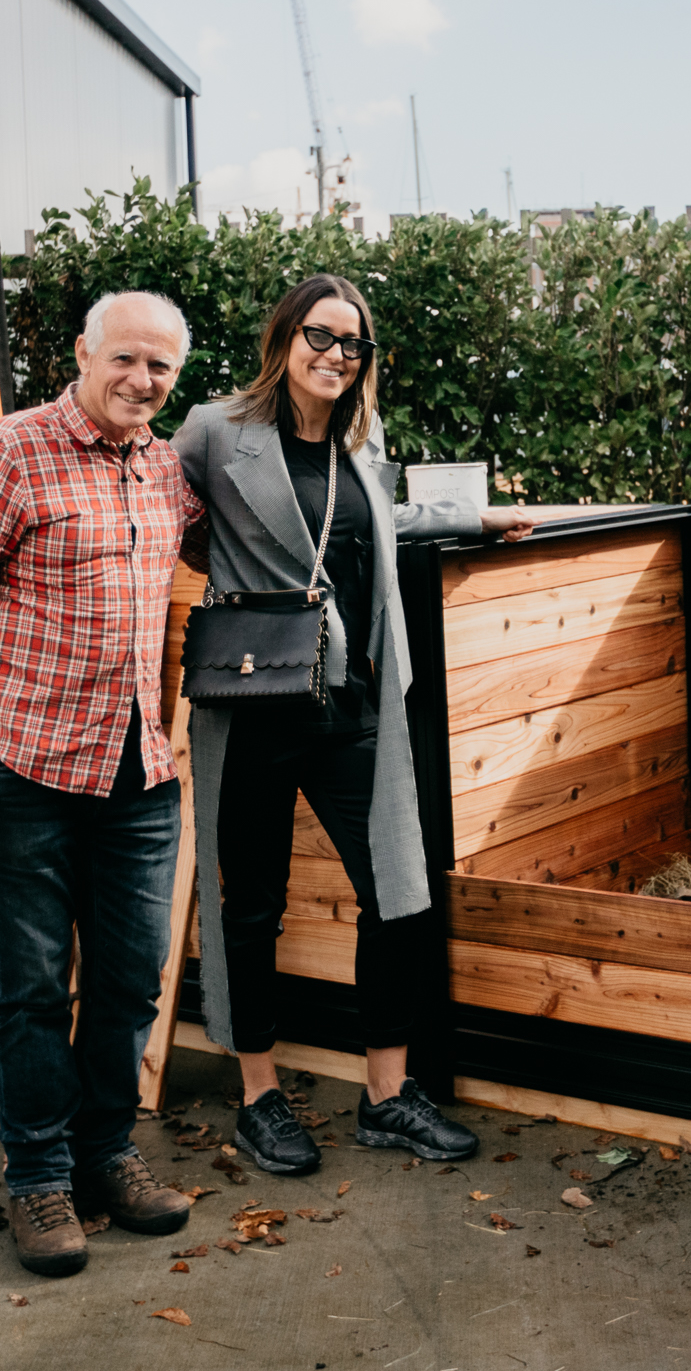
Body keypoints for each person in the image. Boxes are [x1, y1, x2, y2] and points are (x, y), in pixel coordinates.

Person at [171, 273, 535, 1176]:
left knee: (398, 892)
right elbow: (161, 515)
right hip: (252, 702)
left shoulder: (359, 444)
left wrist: (476, 517)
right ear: (284, 337)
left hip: (353, 701)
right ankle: (259, 1096)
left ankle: (386, 1095)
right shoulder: (215, 432)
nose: (336, 355)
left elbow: (387, 521)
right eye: (320, 336)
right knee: (252, 906)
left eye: (353, 343)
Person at [0, 291, 206, 1280]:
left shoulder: (166, 466)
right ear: (83, 353)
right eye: (125, 359)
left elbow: (240, 530)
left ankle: (104, 1154)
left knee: (131, 973)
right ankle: (37, 1177)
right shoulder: (10, 452)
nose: (141, 380)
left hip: (136, 767)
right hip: (23, 764)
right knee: (34, 983)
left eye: (160, 367)